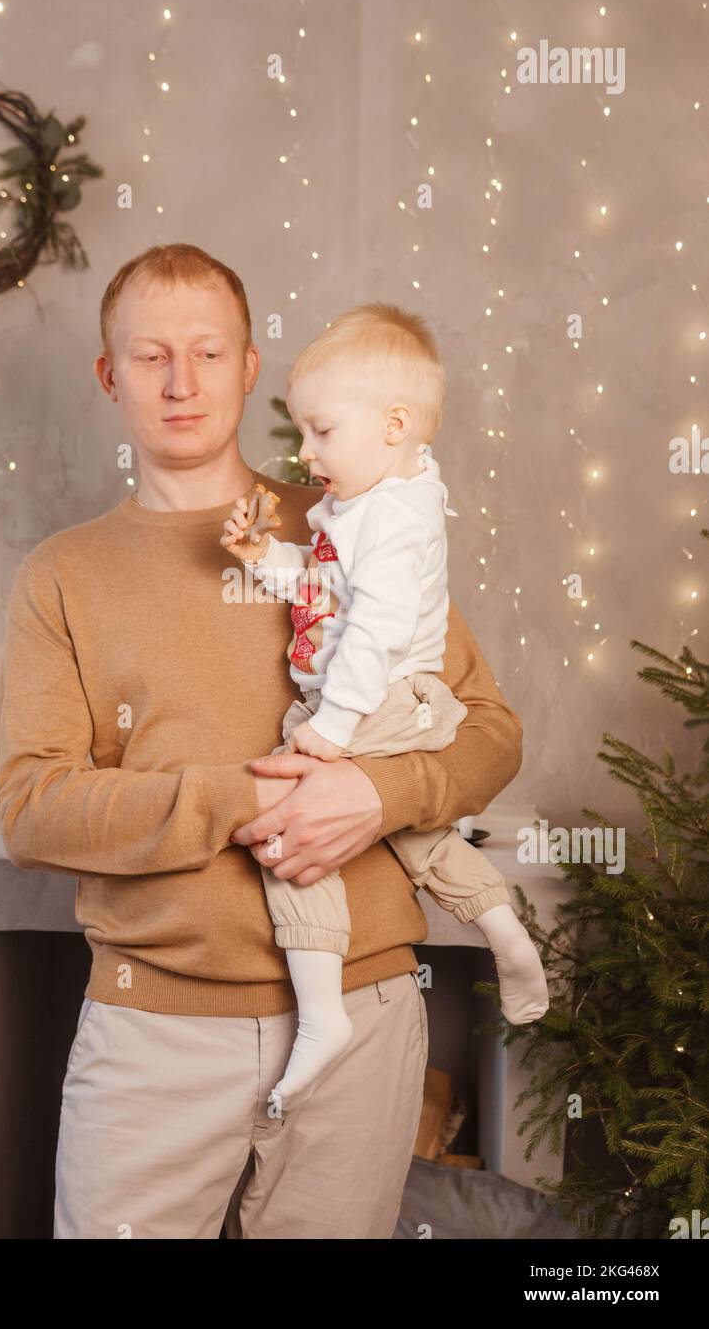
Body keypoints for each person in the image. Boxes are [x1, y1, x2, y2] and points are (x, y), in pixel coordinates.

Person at [0, 242, 523, 1240]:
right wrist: (246, 799)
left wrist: (379, 794)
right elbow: (31, 809)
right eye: (149, 356)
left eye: (207, 351)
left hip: (360, 1020)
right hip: (153, 1029)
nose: (181, 381)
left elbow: (488, 733)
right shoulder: (63, 574)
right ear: (110, 376)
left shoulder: (350, 518)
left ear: (248, 365)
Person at [219, 303, 548, 1112]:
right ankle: (504, 930)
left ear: (395, 424)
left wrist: (330, 732)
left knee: (290, 833)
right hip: (377, 706)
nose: (304, 452)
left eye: (322, 431)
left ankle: (322, 1013)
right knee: (421, 839)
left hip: (376, 704)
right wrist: (267, 556)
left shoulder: (399, 521)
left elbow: (369, 632)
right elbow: (324, 592)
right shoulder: (361, 506)